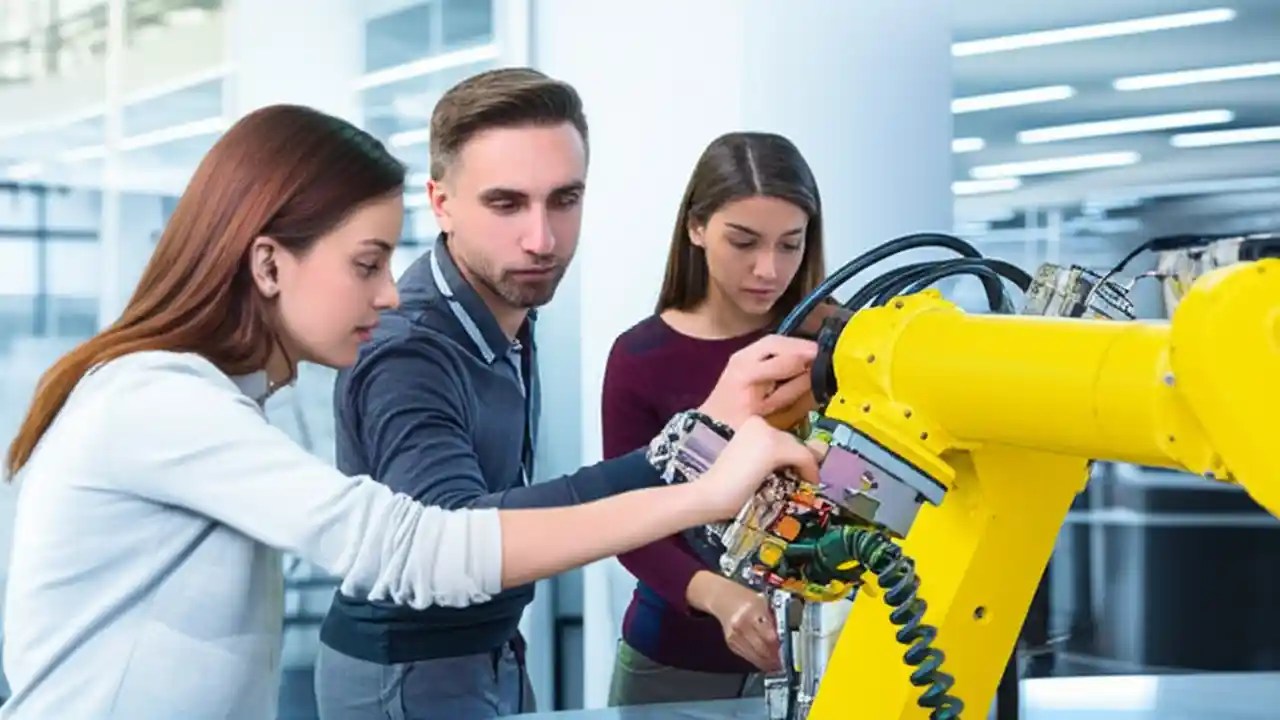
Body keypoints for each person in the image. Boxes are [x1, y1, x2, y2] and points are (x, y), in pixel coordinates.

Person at [0, 104, 822, 720]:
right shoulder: (160, 403)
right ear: (269, 265)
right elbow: (420, 544)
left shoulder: (207, 401)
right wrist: (702, 479)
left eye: (564, 199)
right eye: (366, 265)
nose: (389, 293)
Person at [318, 66, 806, 720]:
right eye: (506, 204)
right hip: (409, 669)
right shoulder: (410, 350)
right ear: (441, 202)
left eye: (564, 200)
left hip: (490, 649)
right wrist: (692, 441)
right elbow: (454, 541)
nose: (542, 240)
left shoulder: (504, 314)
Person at [601, 131, 827, 707]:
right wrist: (718, 596)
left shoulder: (838, 347)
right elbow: (624, 522)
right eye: (743, 241)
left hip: (821, 656)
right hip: (674, 661)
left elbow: (871, 490)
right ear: (696, 228)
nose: (767, 269)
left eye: (790, 244)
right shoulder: (640, 357)